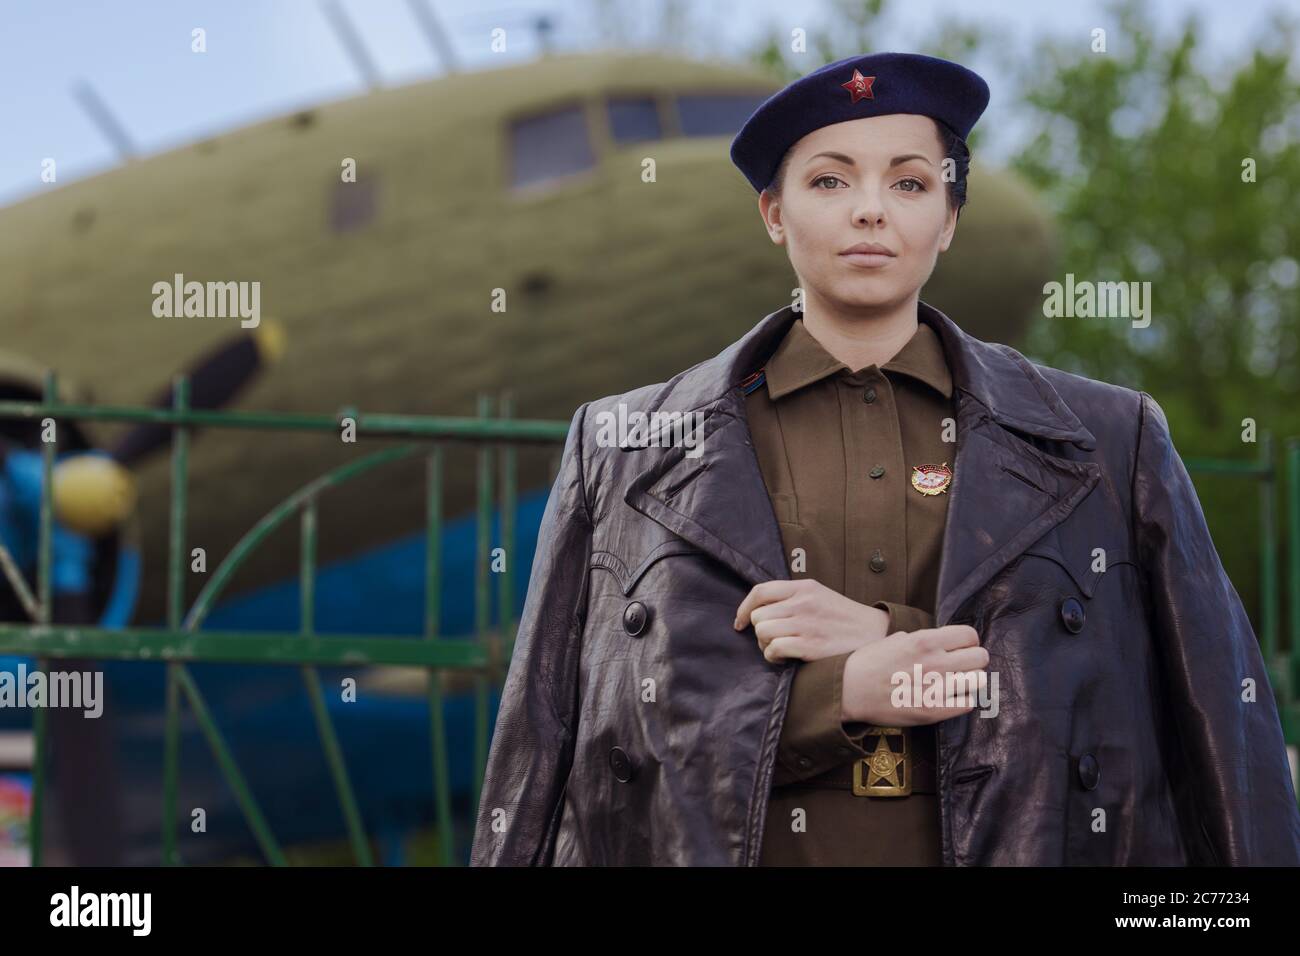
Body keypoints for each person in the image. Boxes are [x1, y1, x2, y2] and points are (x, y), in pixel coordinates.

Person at [470, 52, 1300, 866]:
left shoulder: (1111, 440)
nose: (871, 211)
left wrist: (888, 638)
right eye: (829, 181)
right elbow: (548, 748)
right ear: (773, 213)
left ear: (948, 218)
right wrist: (847, 690)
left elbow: (1226, 748)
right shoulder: (622, 446)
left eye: (909, 182)